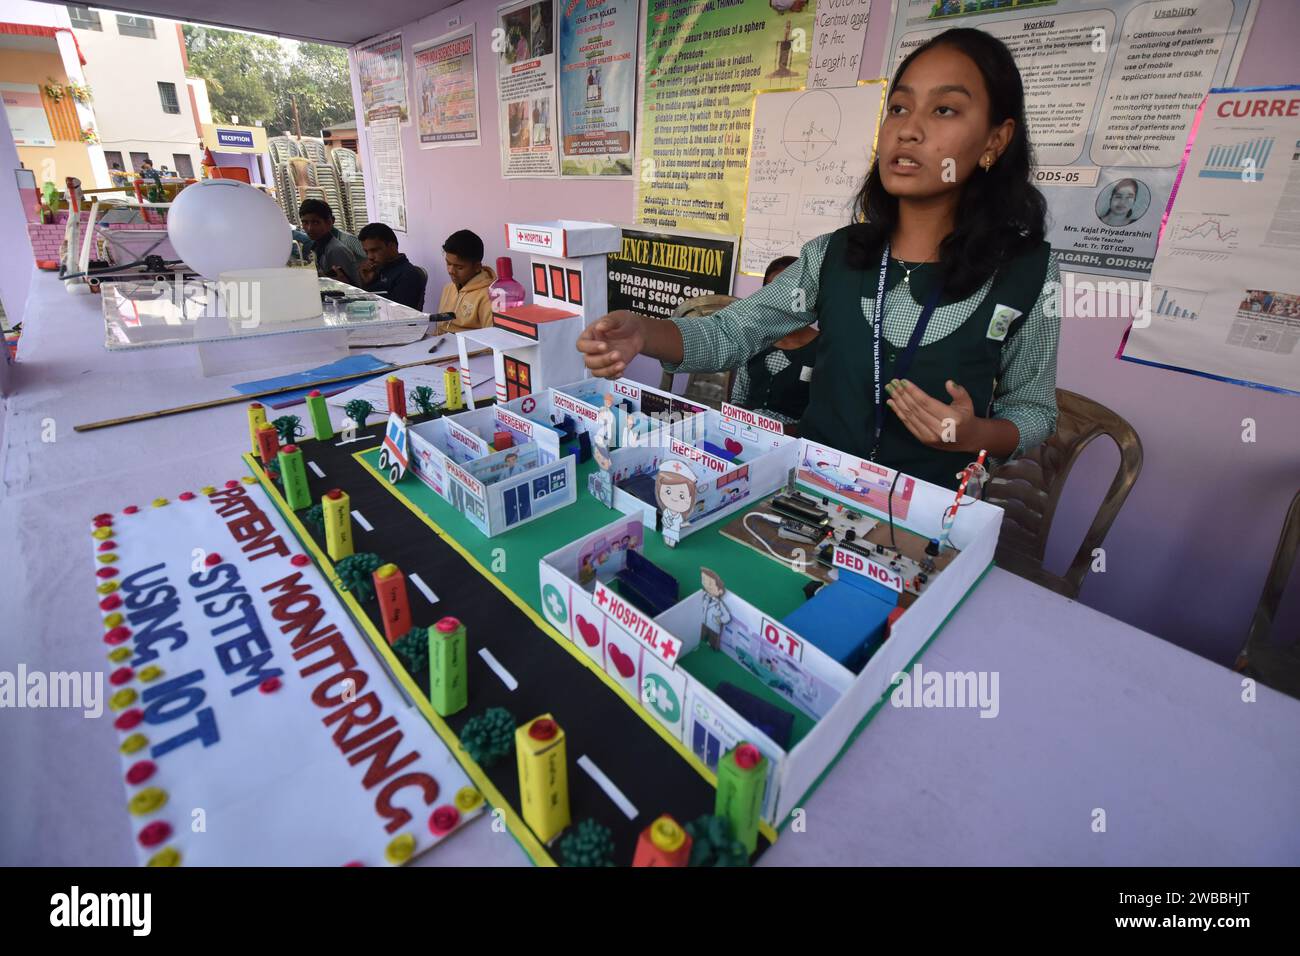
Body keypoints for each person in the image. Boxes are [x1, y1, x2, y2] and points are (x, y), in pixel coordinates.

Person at [578, 28, 1061, 491]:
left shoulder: (1028, 272)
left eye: (944, 110)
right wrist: (643, 332)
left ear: (996, 140)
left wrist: (974, 434)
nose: (909, 130)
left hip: (930, 518)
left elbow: (1034, 410)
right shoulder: (835, 255)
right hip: (812, 499)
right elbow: (730, 333)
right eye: (899, 107)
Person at [727, 255, 819, 430]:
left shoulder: (822, 350)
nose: (780, 302)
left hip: (793, 442)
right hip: (748, 434)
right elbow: (739, 397)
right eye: (772, 293)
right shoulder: (755, 338)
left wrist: (776, 433)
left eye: (789, 292)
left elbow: (820, 418)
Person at [435, 230, 497, 334]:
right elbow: (440, 328)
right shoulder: (449, 288)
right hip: (440, 345)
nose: (451, 271)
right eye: (448, 263)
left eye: (459, 267)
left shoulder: (490, 296)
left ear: (477, 267)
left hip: (468, 349)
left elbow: (492, 341)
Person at [356, 222, 427, 310]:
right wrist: (368, 283)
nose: (370, 257)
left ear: (392, 246)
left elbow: (398, 312)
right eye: (366, 252)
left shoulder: (407, 274)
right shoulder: (377, 269)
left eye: (374, 250)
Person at [298, 199, 365, 285]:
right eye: (305, 222)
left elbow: (346, 286)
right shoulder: (316, 246)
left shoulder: (336, 250)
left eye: (315, 222)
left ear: (329, 222)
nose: (310, 228)